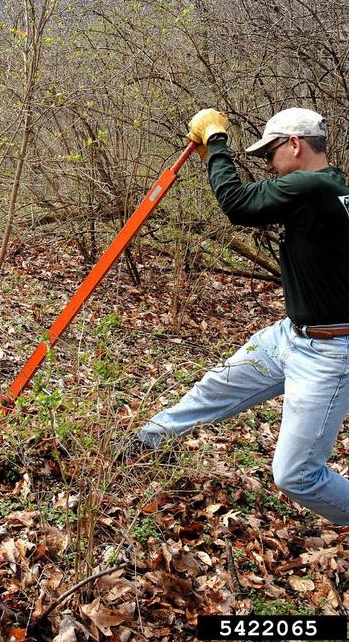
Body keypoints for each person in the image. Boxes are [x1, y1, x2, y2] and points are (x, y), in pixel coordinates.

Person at [139, 107, 349, 526]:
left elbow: (237, 204)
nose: (268, 164)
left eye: (271, 151)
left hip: (328, 353)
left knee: (296, 476)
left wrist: (216, 142)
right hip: (289, 337)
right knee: (214, 388)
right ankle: (144, 443)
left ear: (294, 144)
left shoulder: (309, 187)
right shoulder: (330, 187)